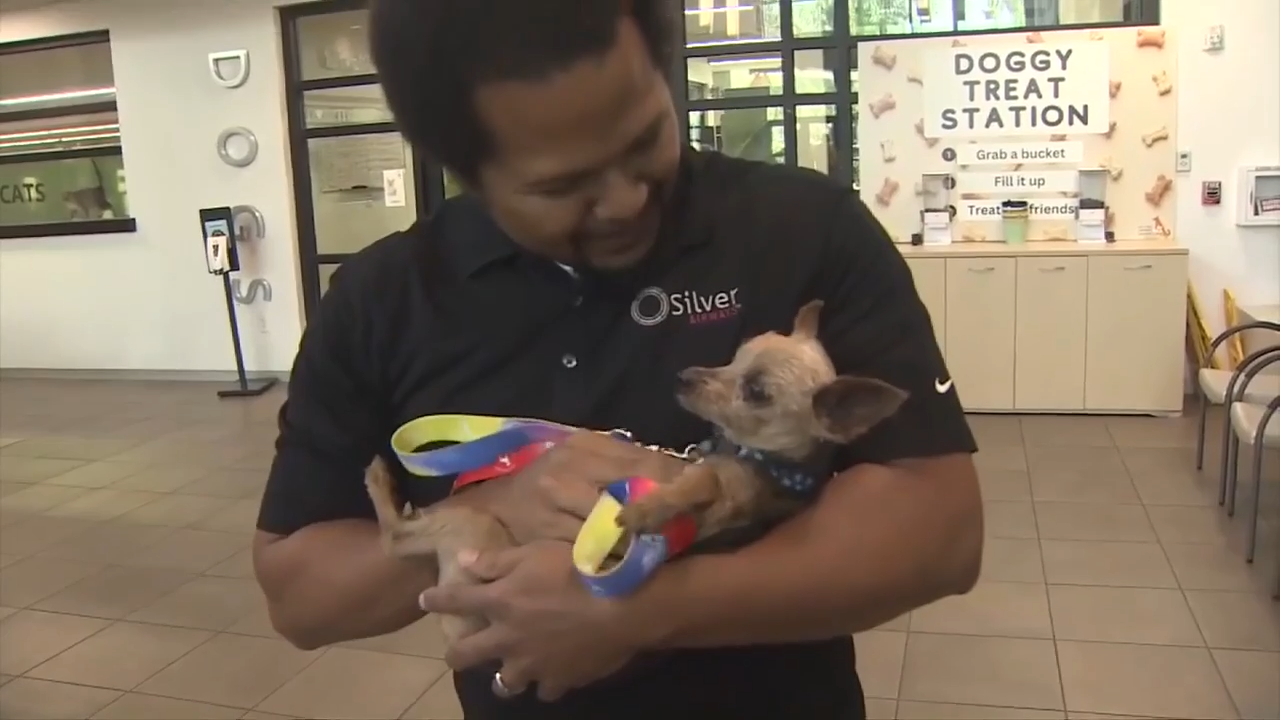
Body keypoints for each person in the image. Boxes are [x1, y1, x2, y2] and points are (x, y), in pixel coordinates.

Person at [252, 1, 985, 718]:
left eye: (646, 139)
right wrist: (490, 510)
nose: (627, 200)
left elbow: (940, 531)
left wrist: (640, 611)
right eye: (562, 185)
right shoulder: (381, 301)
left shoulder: (803, 228)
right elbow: (298, 596)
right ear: (465, 170)